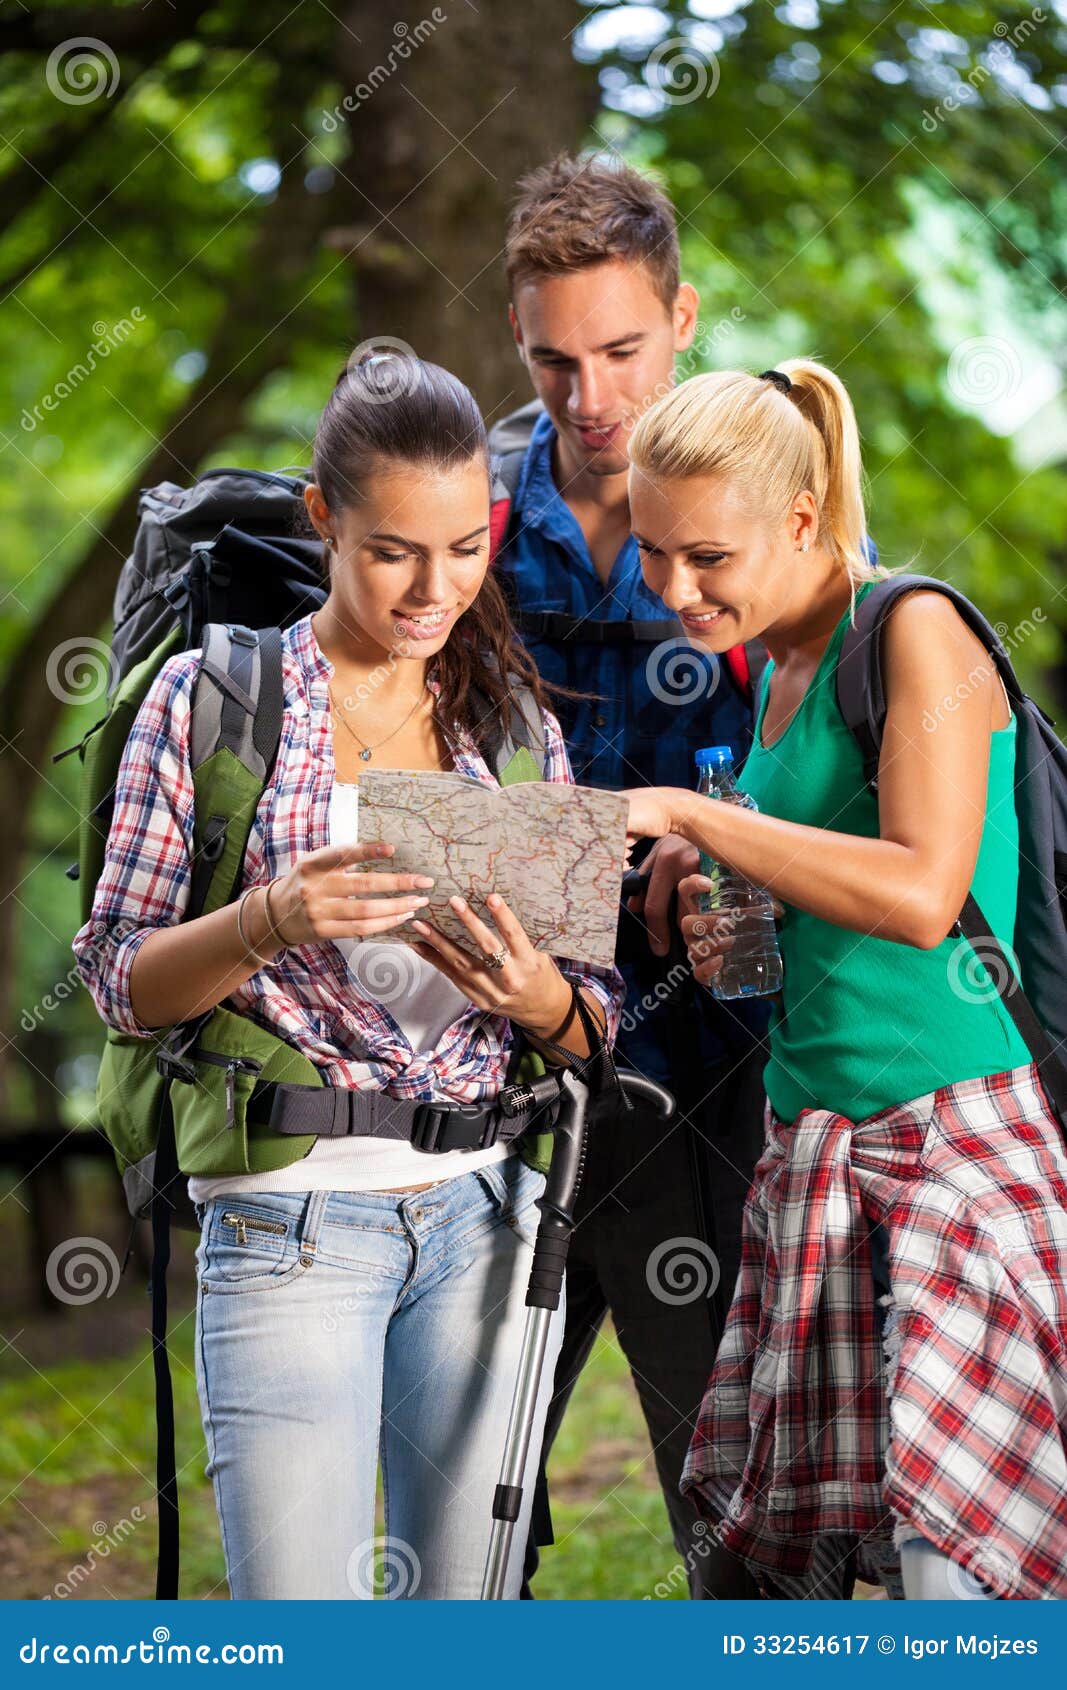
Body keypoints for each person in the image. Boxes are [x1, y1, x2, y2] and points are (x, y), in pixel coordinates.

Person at [73, 353, 623, 1601]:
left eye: (464, 546)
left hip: (490, 1218)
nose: (435, 590)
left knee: (459, 1628)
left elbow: (593, 1022)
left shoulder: (512, 724)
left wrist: (531, 992)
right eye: (391, 552)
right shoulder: (213, 701)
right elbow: (115, 977)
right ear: (323, 520)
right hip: (289, 1219)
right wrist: (269, 917)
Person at [621, 358, 1067, 1600]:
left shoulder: (914, 629)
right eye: (654, 555)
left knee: (951, 1544)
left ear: (803, 520)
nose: (674, 589)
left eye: (705, 556)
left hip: (950, 1143)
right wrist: (723, 915)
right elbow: (819, 908)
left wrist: (695, 820)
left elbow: (922, 892)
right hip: (814, 1143)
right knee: (862, 1551)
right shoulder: (771, 668)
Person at [495, 153, 769, 1599]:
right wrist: (623, 843)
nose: (589, 399)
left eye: (620, 351)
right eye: (552, 361)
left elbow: (813, 813)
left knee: (730, 1511)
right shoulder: (455, 506)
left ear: (683, 318)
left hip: (699, 1072)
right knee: (456, 1508)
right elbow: (378, 803)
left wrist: (717, 837)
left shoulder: (770, 503)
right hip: (488, 1072)